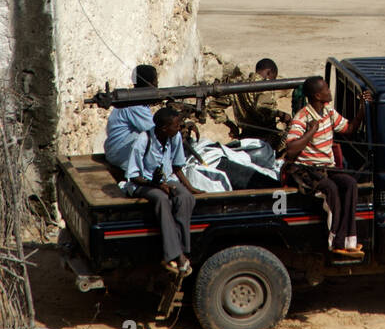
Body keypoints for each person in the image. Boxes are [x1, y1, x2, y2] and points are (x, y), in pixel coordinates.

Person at [281, 76, 372, 260]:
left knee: (350, 183)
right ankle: (335, 242)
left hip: (326, 167)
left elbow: (349, 129)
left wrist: (363, 107)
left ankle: (349, 241)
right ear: (317, 95)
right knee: (330, 189)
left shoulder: (329, 112)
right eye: (326, 90)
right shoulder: (302, 117)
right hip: (306, 169)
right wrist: (311, 132)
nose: (330, 92)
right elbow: (290, 151)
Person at [123, 107, 198, 274]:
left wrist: (191, 188)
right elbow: (133, 175)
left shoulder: (175, 137)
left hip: (165, 180)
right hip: (143, 184)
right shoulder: (144, 140)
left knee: (186, 198)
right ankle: (175, 255)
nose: (179, 128)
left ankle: (182, 249)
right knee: (162, 200)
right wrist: (157, 186)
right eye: (176, 125)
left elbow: (177, 167)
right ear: (164, 128)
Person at [209, 57, 284, 147]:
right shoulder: (265, 85)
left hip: (245, 139)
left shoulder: (238, 86)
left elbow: (213, 106)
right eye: (273, 78)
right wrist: (280, 114)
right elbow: (263, 108)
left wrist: (231, 125)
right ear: (268, 73)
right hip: (265, 140)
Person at [104, 64, 158, 172]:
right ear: (150, 83)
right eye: (156, 79)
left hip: (114, 149)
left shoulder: (131, 99)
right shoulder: (135, 105)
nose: (157, 83)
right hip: (119, 154)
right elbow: (155, 131)